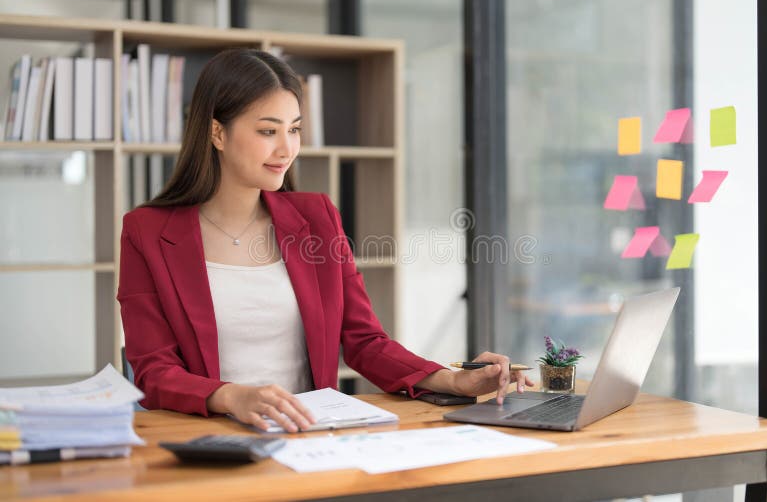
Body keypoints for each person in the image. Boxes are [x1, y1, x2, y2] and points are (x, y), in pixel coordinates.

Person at [117, 48, 532, 433]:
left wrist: (454, 379)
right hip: (208, 440)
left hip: (308, 436)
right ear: (217, 133)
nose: (286, 149)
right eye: (267, 130)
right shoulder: (147, 232)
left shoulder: (316, 218)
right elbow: (154, 372)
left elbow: (365, 342)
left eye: (294, 130)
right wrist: (231, 396)